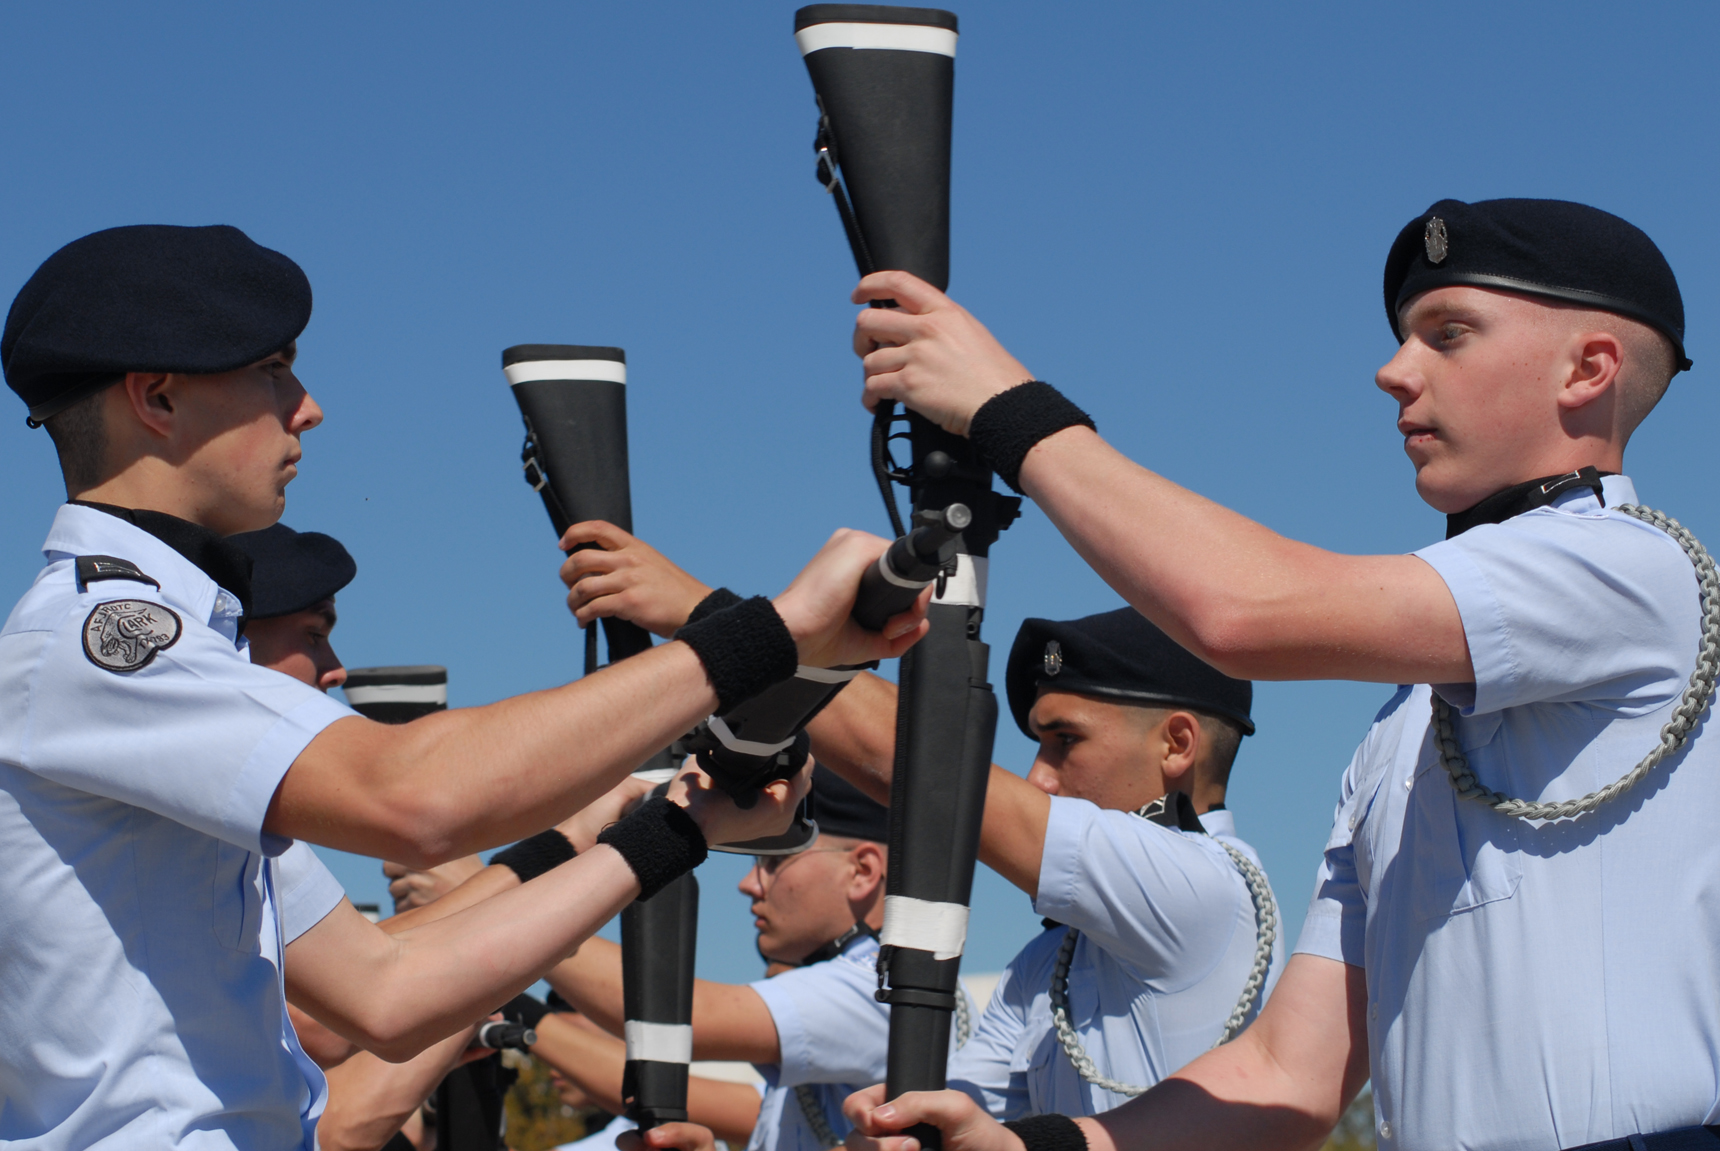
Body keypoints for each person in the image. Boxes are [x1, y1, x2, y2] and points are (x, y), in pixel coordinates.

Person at [0, 223, 926, 1150]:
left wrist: (683, 824)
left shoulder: (154, 663)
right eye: (273, 371)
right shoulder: (96, 641)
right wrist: (771, 631)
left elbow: (388, 990)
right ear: (157, 397)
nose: (307, 407)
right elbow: (415, 796)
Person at [835, 197, 1719, 1151]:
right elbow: (1290, 1072)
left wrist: (1008, 408)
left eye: (1448, 333)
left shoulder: (1633, 567)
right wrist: (1033, 1146)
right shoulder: (1404, 728)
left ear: (1587, 369)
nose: (1393, 371)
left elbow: (1237, 609)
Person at [554, 526, 1282, 1118]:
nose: (1039, 775)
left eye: (1065, 740)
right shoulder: (1050, 963)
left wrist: (711, 619)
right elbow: (942, 1120)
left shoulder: (1205, 886)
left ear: (1177, 745)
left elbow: (919, 766)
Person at [545, 764, 973, 1151]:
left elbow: (682, 1014)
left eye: (773, 861)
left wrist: (519, 907)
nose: (749, 884)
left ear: (861, 871)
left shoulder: (887, 987)